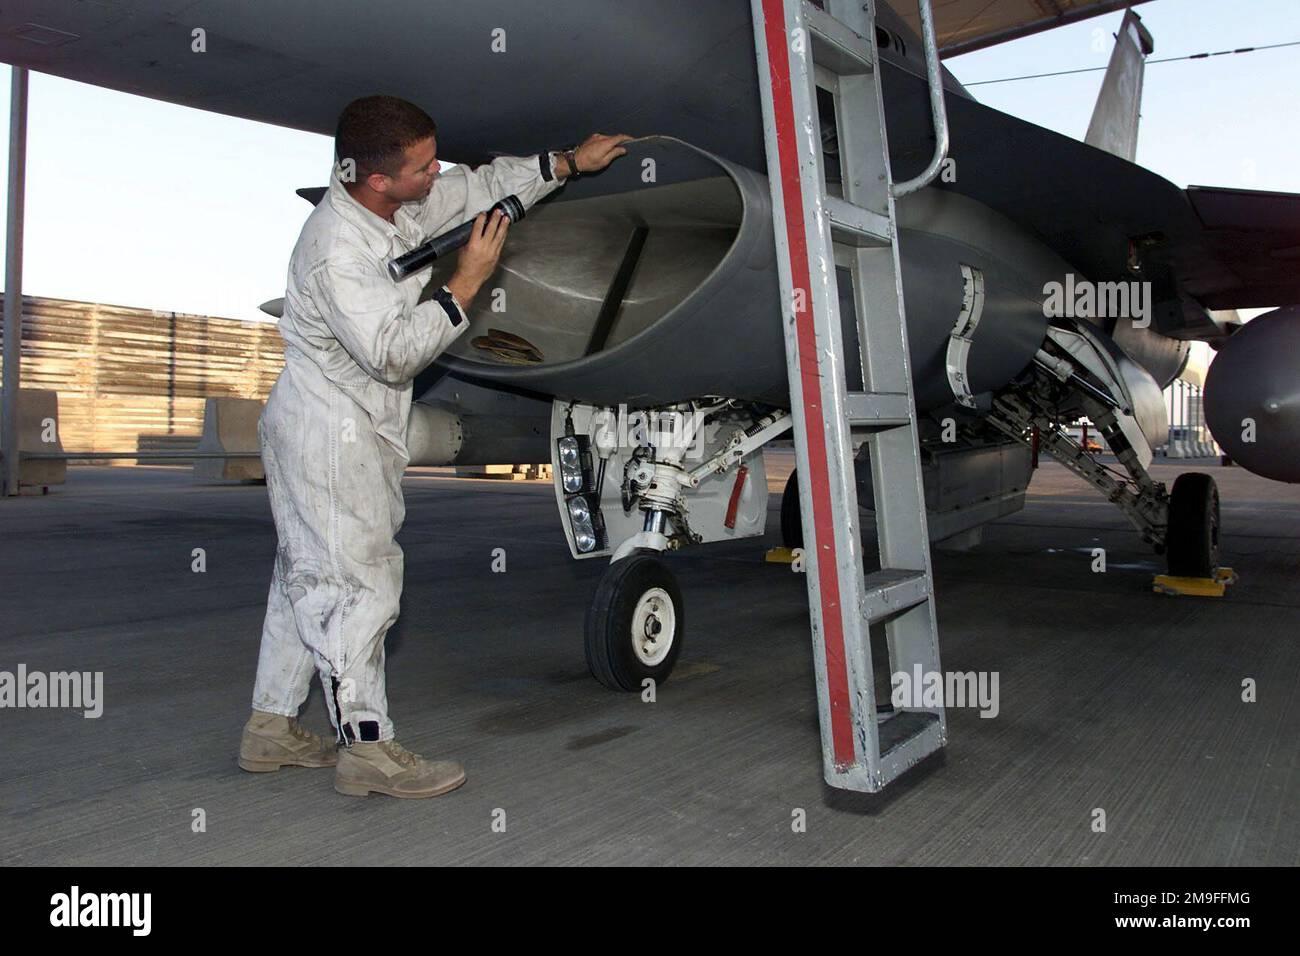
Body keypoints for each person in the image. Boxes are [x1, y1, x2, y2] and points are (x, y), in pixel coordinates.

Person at [237, 93, 631, 798]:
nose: (436, 170)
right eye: (422, 166)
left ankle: (270, 729)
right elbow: (392, 355)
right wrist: (467, 282)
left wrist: (569, 162)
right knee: (360, 584)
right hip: (332, 432)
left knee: (305, 578)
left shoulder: (395, 206)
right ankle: (366, 748)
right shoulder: (336, 252)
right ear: (378, 179)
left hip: (351, 425)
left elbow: (476, 188)